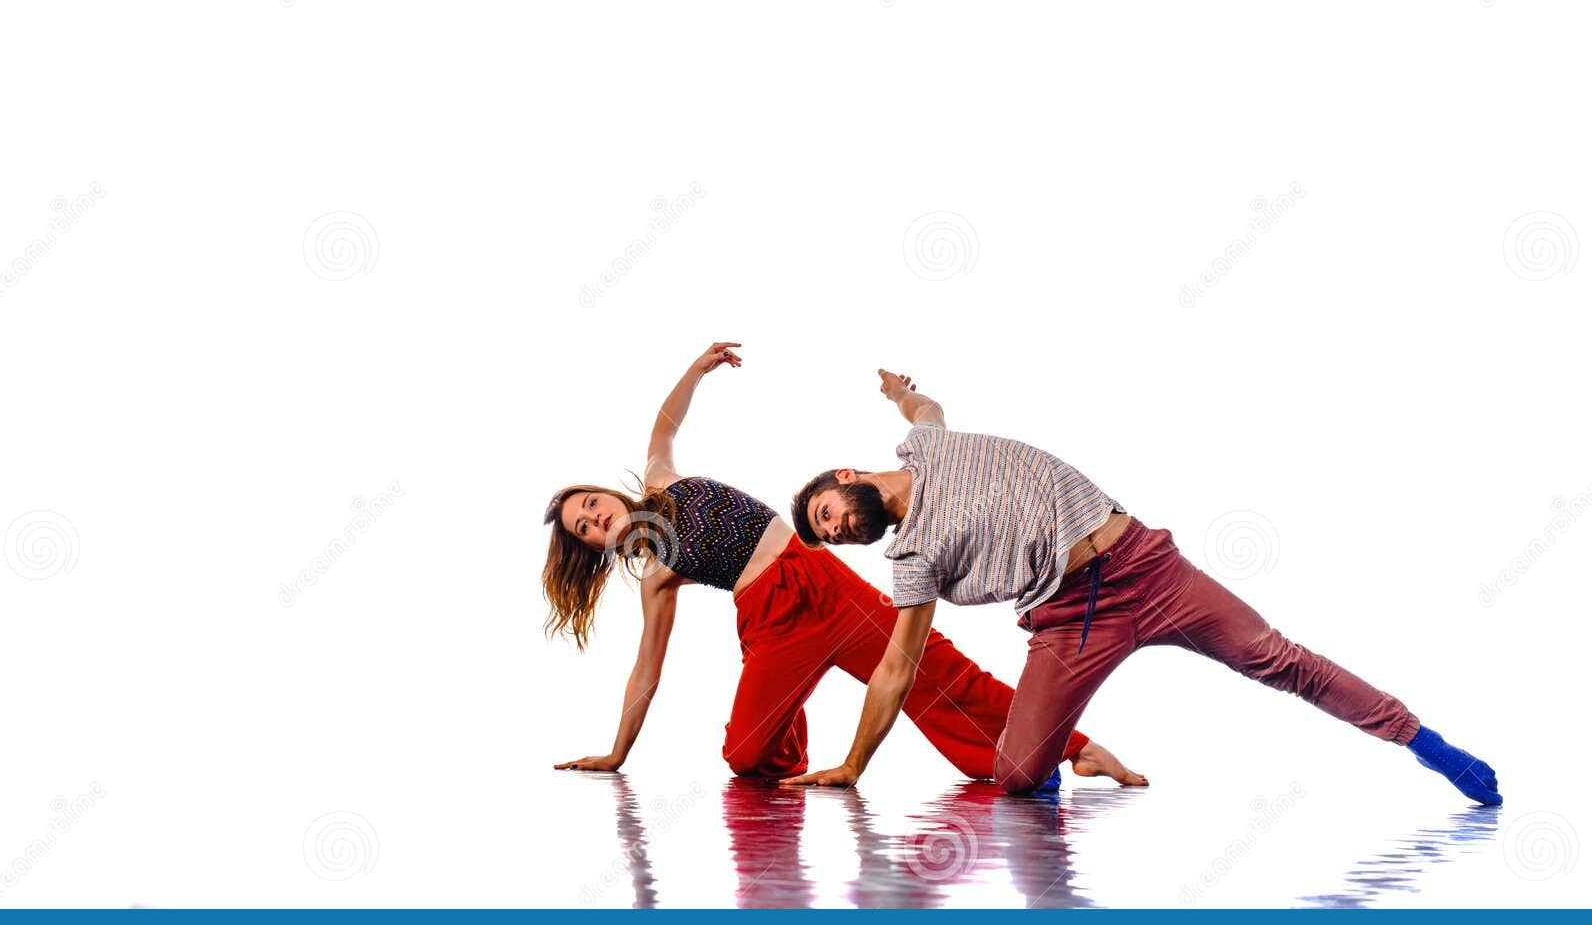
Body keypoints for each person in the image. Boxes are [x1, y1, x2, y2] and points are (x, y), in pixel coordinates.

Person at [786, 368, 1501, 806]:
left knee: (1280, 661)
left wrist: (904, 392)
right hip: (1069, 619)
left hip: (1146, 569)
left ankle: (1428, 744)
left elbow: (924, 411)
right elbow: (895, 669)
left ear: (847, 477)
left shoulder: (926, 446)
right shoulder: (909, 558)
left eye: (830, 516)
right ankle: (1070, 754)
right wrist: (854, 764)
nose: (841, 531)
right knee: (1014, 776)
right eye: (832, 536)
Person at [542, 343, 1145, 787]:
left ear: (611, 496)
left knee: (937, 675)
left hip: (821, 582)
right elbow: (647, 670)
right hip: (770, 624)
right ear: (591, 547)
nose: (595, 518)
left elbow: (666, 422)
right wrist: (616, 753)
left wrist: (697, 369)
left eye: (591, 504)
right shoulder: (656, 579)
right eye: (583, 527)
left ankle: (1075, 747)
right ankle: (792, 719)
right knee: (745, 756)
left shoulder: (661, 478)